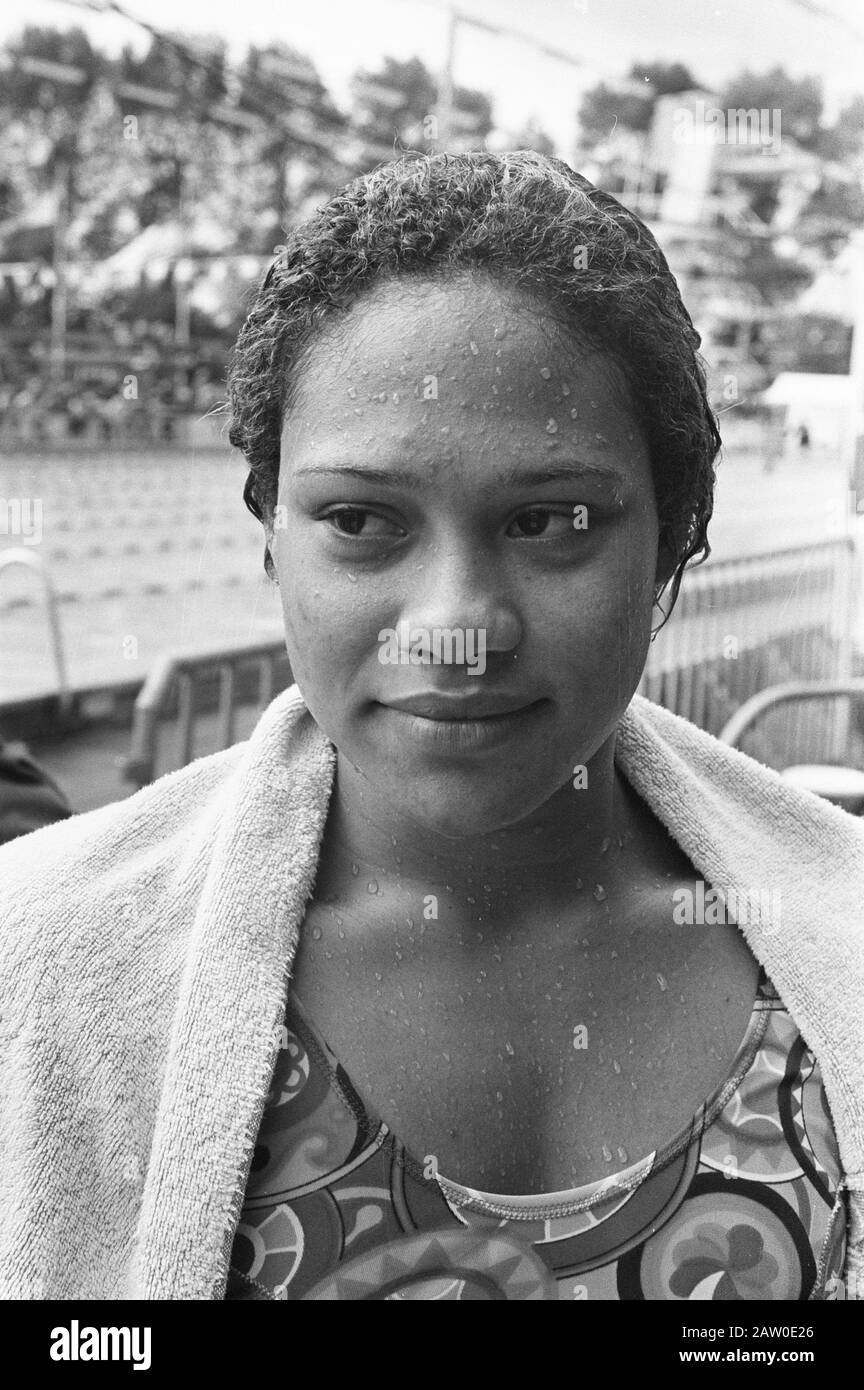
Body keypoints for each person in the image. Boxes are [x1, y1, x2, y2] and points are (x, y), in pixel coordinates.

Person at [0, 151, 862, 1302]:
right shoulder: (48, 965)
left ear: (674, 538)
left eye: (553, 519)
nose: (456, 626)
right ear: (270, 533)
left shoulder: (833, 940)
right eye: (361, 520)